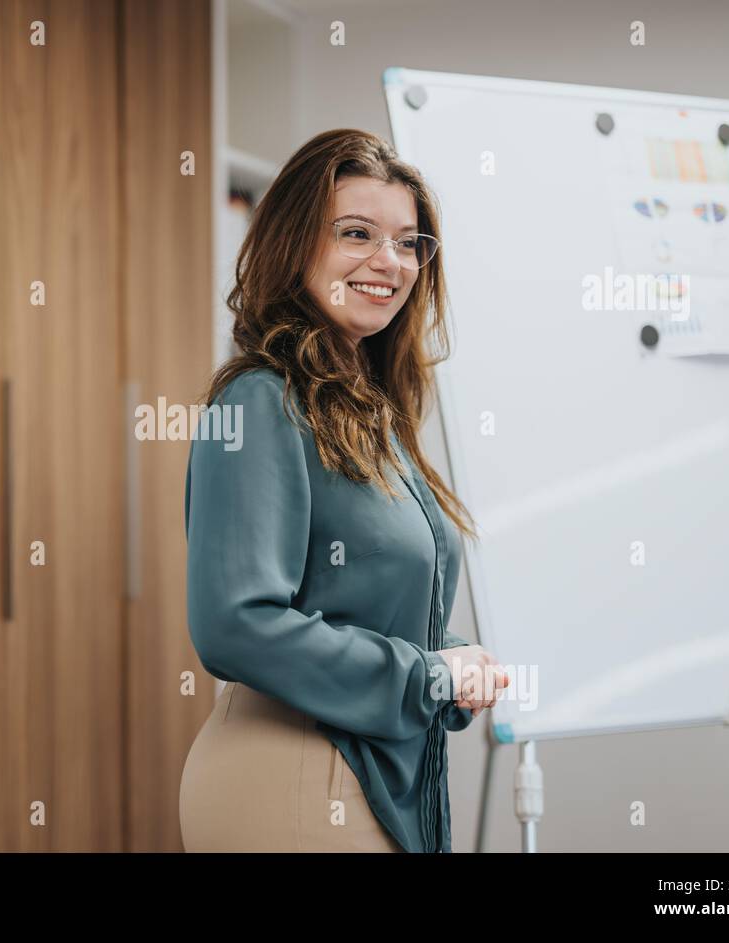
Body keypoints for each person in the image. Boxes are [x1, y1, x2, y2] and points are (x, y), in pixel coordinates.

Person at [180, 128, 508, 852]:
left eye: (408, 242)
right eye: (356, 233)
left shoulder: (368, 412)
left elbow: (348, 603)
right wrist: (425, 673)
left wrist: (448, 655)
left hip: (360, 773)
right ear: (295, 244)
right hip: (295, 773)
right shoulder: (260, 400)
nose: (386, 261)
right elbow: (236, 621)